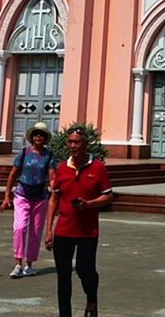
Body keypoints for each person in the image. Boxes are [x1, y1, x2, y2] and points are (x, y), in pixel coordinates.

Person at [45, 125, 112, 317]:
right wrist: (49, 230)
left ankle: (91, 299)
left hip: (87, 232)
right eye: (70, 142)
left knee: (85, 271)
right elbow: (54, 200)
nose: (73, 145)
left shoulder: (97, 167)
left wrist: (89, 204)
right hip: (64, 231)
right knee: (63, 277)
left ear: (85, 144)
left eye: (77, 142)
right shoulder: (62, 168)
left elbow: (108, 197)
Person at [0, 123, 55, 279]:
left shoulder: (48, 156)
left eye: (41, 135)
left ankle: (29, 264)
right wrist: (6, 196)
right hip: (22, 194)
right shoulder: (24, 153)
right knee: (20, 227)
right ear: (32, 137)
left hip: (40, 197)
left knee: (35, 232)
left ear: (45, 138)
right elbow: (12, 175)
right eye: (36, 134)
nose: (38, 137)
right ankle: (18, 263)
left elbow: (52, 177)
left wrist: (55, 197)